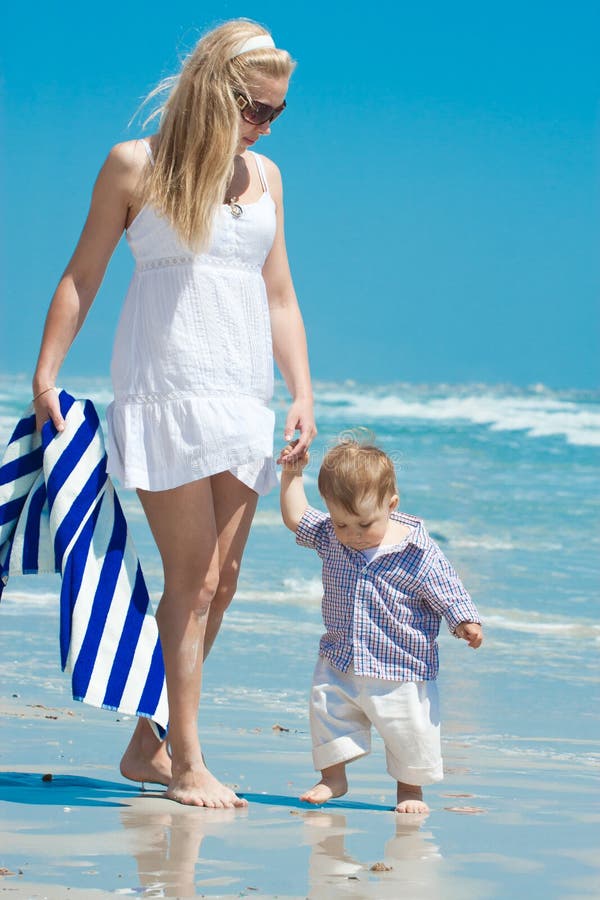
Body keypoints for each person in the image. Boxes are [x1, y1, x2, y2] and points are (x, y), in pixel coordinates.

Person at [31, 19, 316, 808]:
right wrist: (47, 369)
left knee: (221, 583)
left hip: (239, 397)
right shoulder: (137, 167)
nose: (263, 126)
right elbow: (82, 273)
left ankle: (147, 745)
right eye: (254, 109)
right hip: (165, 394)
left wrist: (301, 389)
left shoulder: (267, 179)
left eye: (275, 115)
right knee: (189, 583)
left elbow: (280, 293)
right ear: (213, 93)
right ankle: (188, 762)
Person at [279, 438, 482, 814]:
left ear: (391, 505)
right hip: (341, 656)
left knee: (410, 730)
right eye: (341, 522)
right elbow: (296, 516)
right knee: (326, 711)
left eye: (364, 523)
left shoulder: (417, 551)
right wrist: (292, 473)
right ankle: (332, 778)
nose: (353, 533)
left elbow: (447, 589)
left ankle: (409, 790)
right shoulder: (330, 537)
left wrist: (463, 620)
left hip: (401, 664)